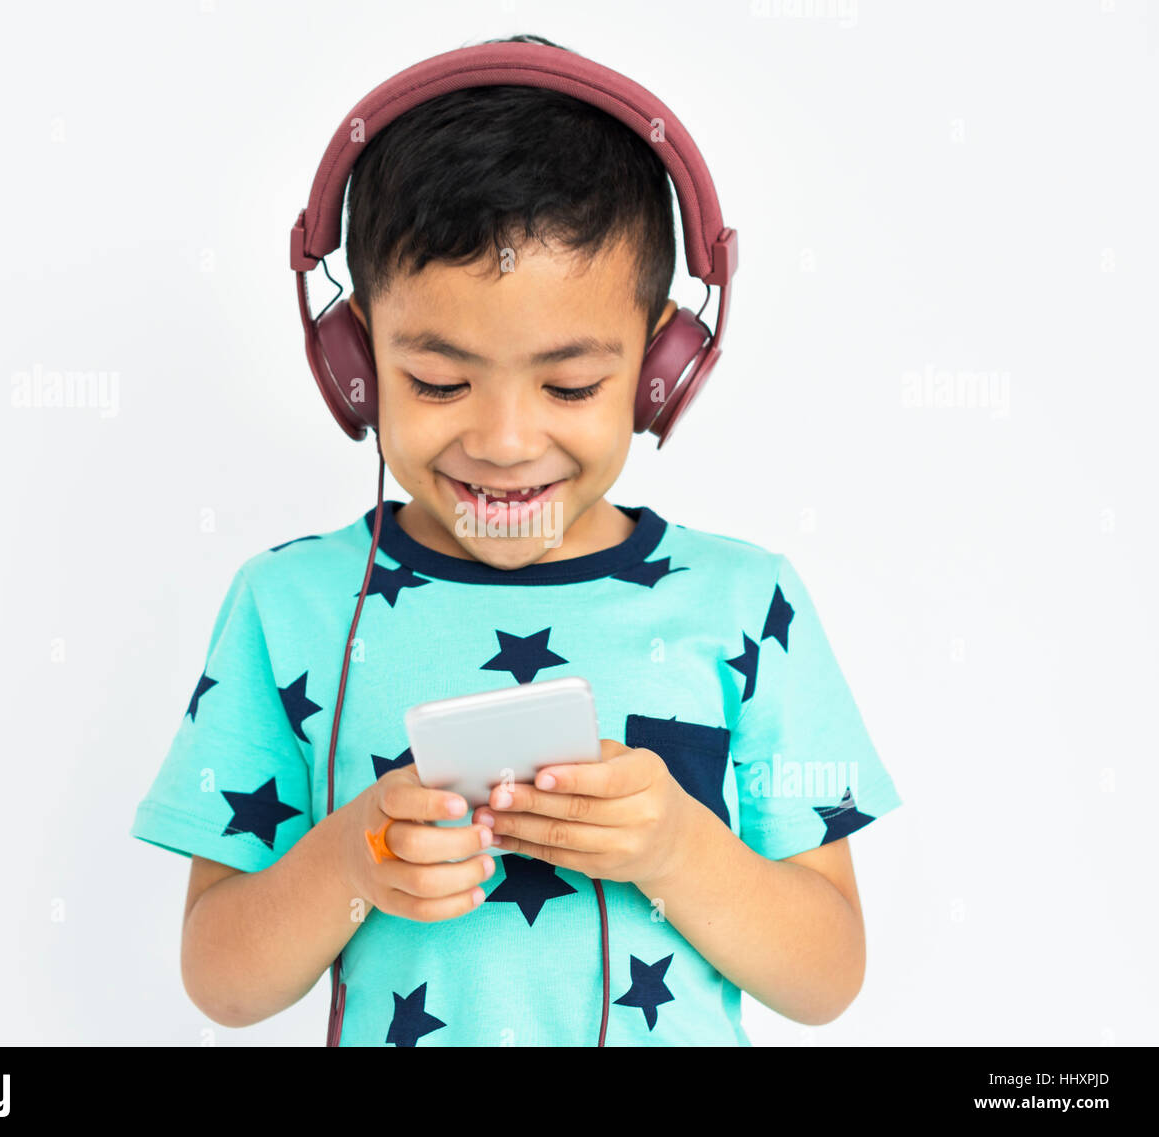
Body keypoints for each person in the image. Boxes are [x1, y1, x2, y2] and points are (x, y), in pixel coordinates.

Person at [129, 34, 903, 1046]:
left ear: (661, 363)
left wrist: (676, 849)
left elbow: (826, 978)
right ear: (354, 358)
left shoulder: (746, 604)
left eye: (570, 386)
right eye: (439, 382)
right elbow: (222, 984)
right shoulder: (291, 606)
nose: (501, 442)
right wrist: (352, 864)